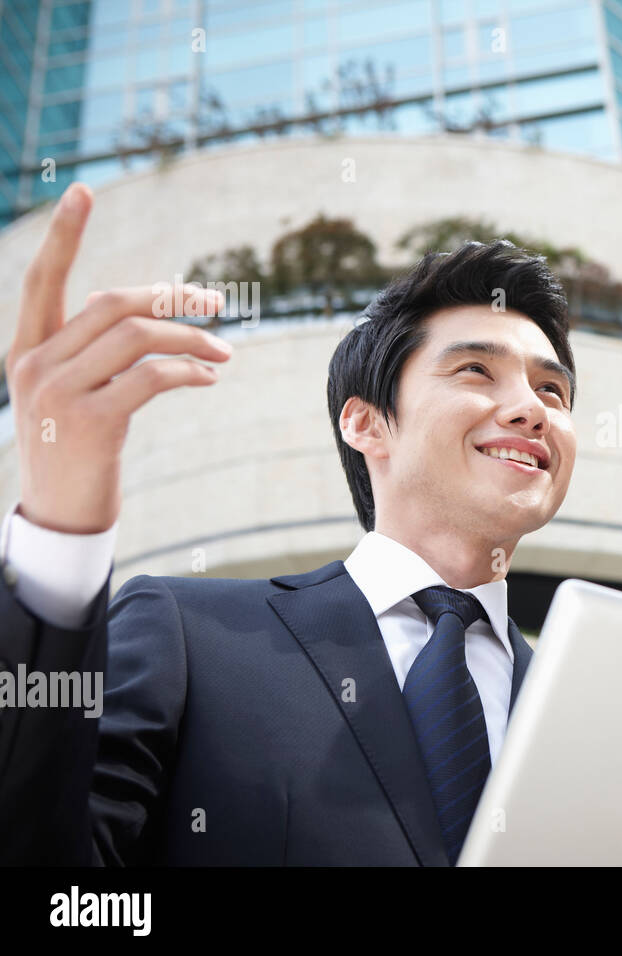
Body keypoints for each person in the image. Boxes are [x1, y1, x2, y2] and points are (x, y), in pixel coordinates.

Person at [0, 183, 577, 865]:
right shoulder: (190, 636)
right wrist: (59, 538)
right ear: (364, 422)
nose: (530, 410)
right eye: (478, 370)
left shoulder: (584, 719)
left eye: (552, 390)